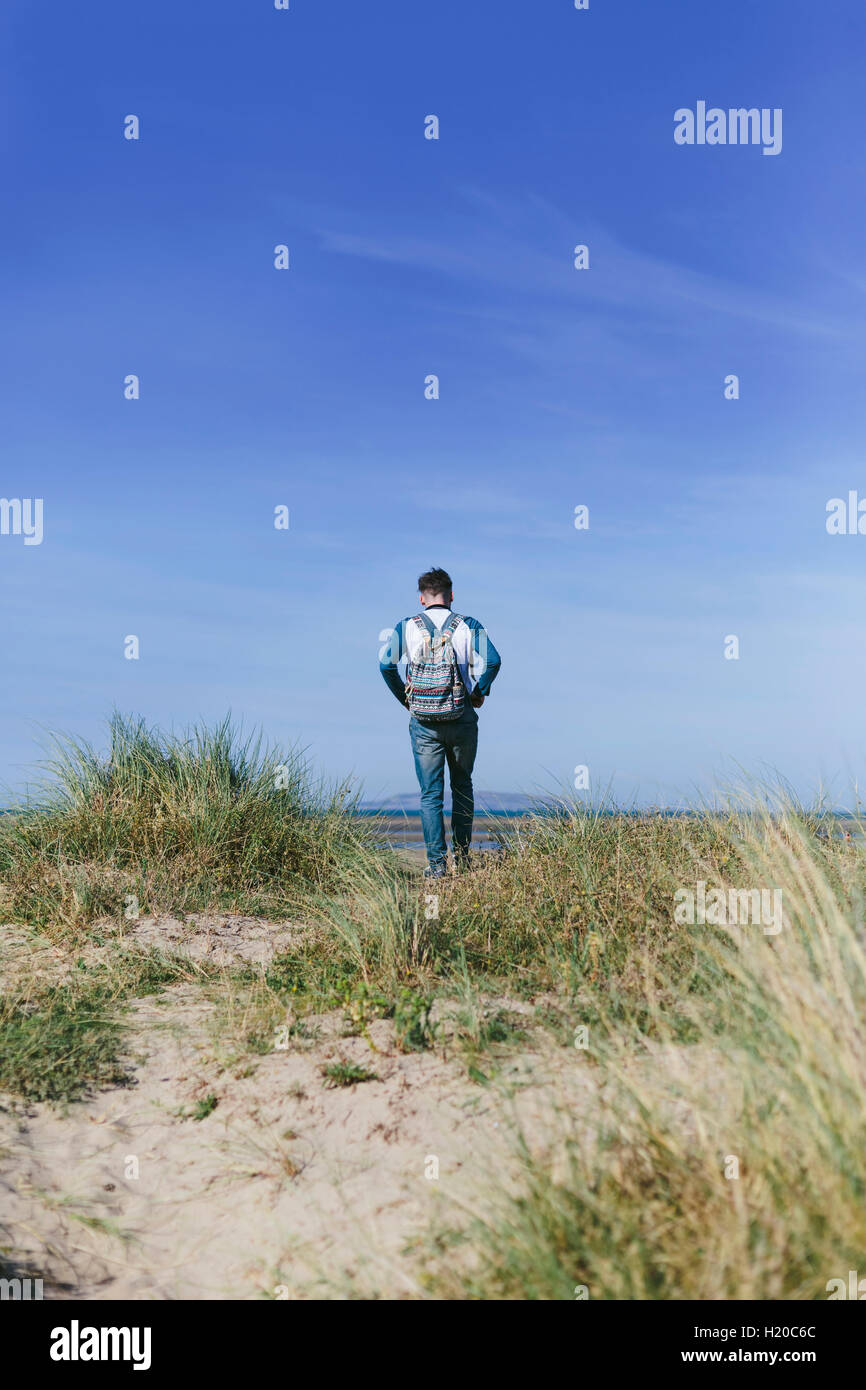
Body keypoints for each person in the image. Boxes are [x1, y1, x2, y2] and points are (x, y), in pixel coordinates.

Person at [379, 567, 502, 877]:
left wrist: (406, 699)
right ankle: (462, 862)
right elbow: (494, 660)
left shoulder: (405, 627)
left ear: (422, 598)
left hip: (422, 723)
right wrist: (479, 691)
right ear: (451, 597)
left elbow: (385, 666)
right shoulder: (469, 625)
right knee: (462, 788)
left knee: (431, 794)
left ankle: (436, 867)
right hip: (462, 717)